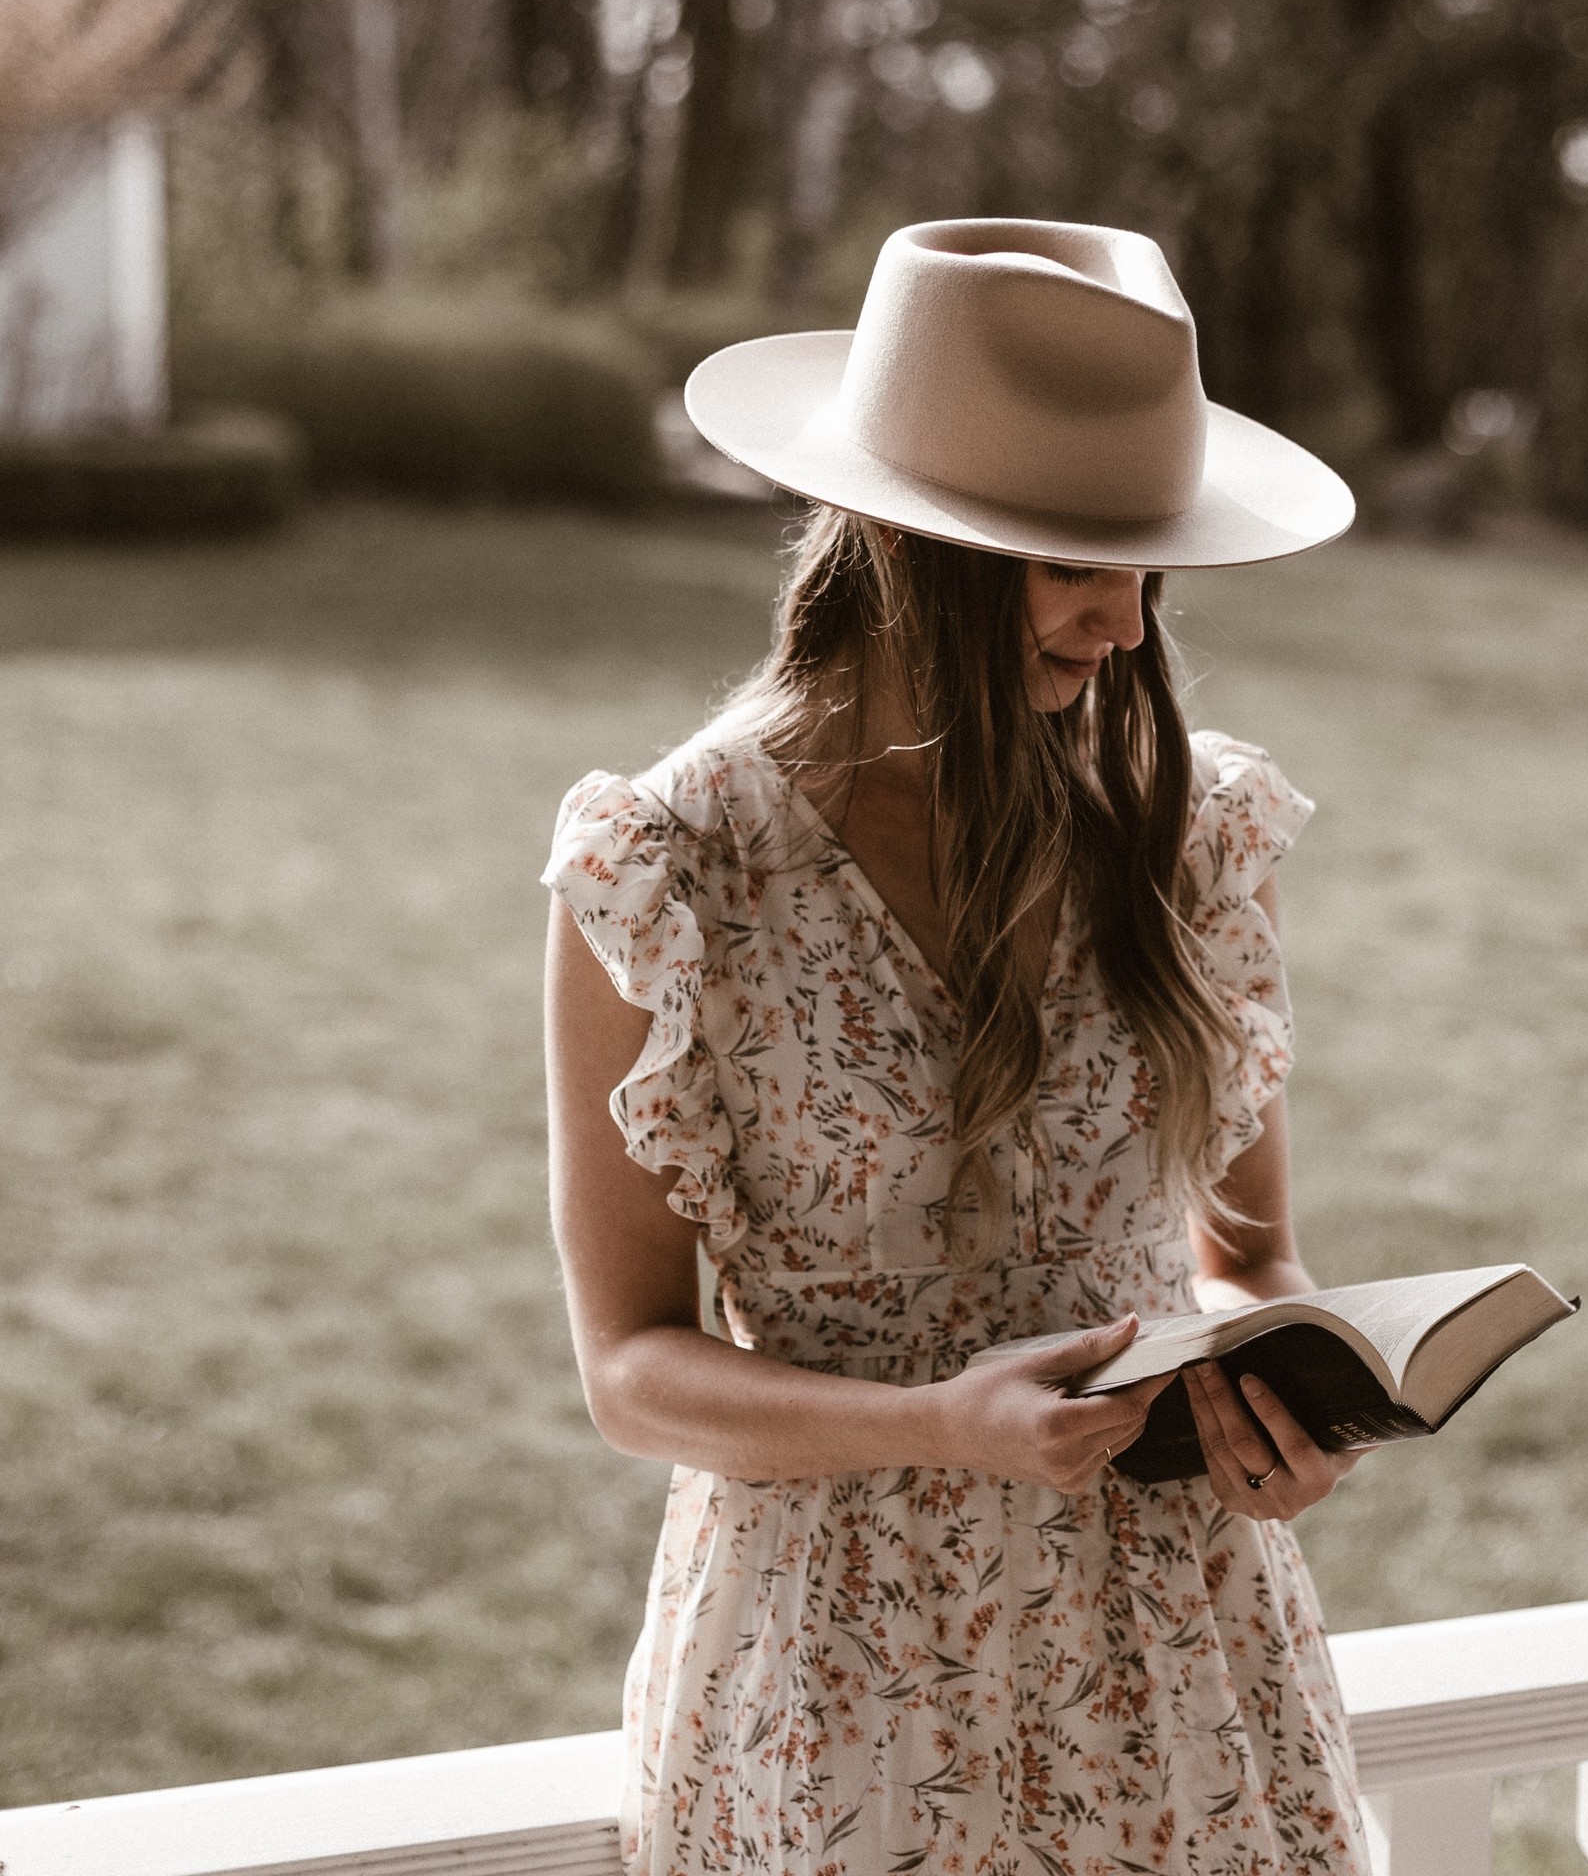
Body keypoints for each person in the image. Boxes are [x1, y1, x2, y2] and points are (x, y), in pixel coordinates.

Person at [542, 218, 1368, 1876]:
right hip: (838, 1691)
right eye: (1077, 568)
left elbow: (1245, 1246)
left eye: (1149, 568)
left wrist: (1266, 1389)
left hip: (1174, 1667)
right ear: (916, 543)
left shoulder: (1183, 832)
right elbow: (632, 1370)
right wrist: (941, 1423)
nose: (1128, 631)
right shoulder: (673, 871)